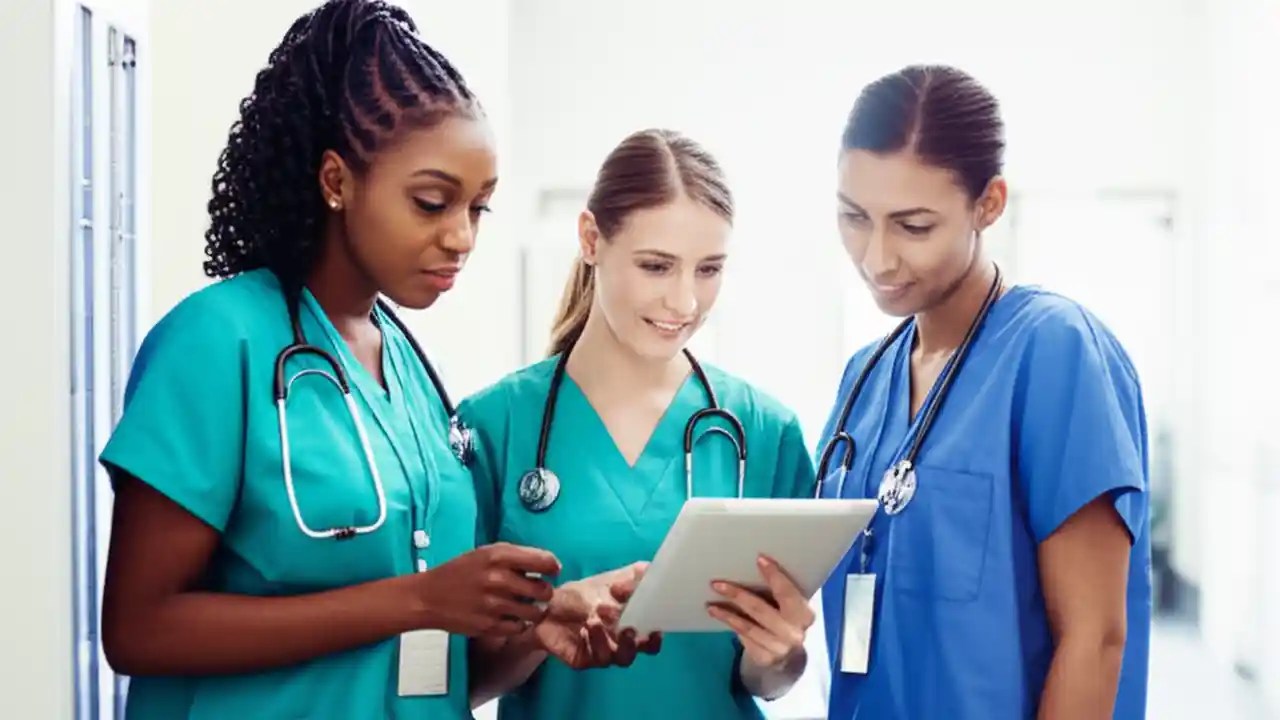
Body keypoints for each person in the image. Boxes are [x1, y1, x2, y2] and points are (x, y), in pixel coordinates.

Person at [98, 2, 646, 718]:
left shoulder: (412, 372)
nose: (461, 237)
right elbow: (137, 630)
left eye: (478, 208)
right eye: (430, 202)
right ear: (336, 181)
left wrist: (532, 631)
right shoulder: (216, 342)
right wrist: (415, 598)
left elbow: (432, 674)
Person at [815, 64, 1151, 719]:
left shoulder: (1053, 352)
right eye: (854, 217)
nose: (877, 258)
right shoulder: (864, 377)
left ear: (989, 204)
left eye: (913, 226)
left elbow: (1097, 639)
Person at [457, 128, 820, 719]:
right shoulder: (491, 429)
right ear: (590, 239)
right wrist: (541, 628)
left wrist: (779, 657)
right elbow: (460, 684)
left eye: (709, 270)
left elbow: (767, 680)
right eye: (657, 266)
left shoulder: (765, 432)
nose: (685, 302)